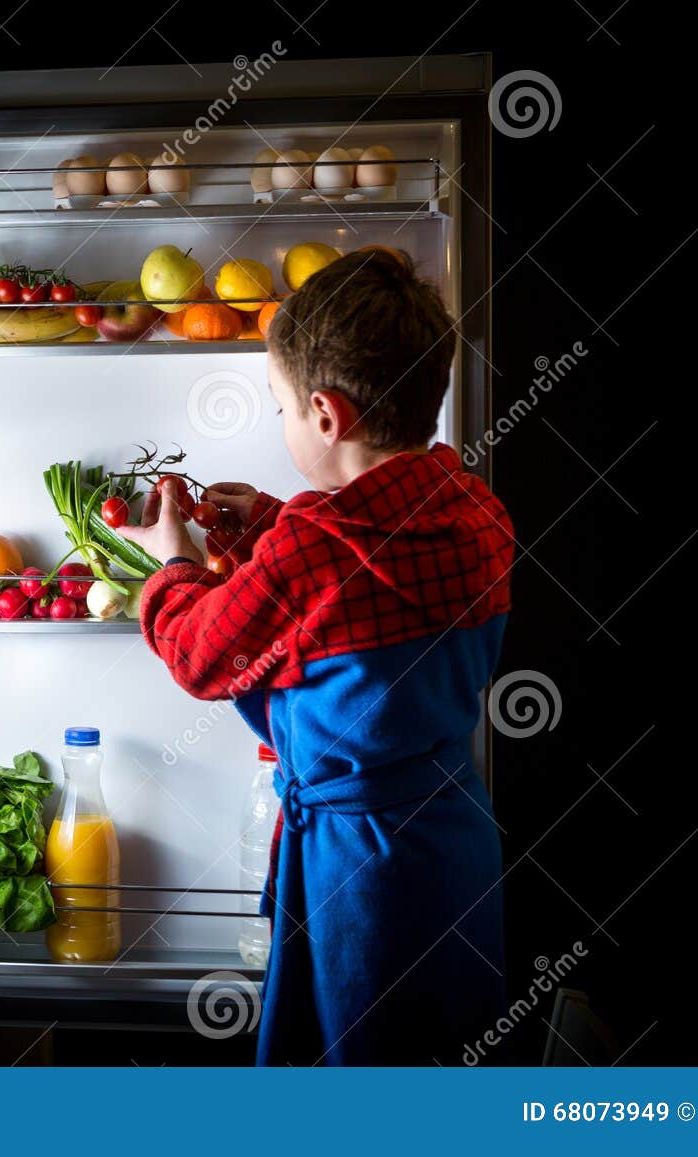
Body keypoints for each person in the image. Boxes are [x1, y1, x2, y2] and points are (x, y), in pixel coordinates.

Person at [119, 250, 512, 1065]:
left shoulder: (311, 552)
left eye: (282, 409)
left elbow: (196, 653)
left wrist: (173, 564)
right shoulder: (476, 507)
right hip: (454, 838)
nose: (285, 424)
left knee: (355, 1070)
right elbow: (363, 570)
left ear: (326, 417)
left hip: (357, 869)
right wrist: (266, 521)